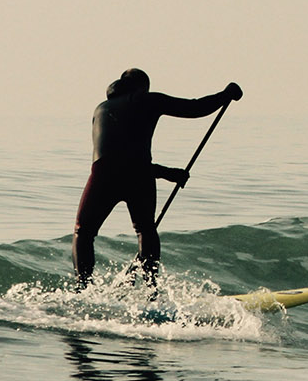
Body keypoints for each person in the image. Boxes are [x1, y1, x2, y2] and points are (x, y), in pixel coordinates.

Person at [72, 69, 242, 287]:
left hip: (102, 175)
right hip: (137, 174)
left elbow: (117, 160)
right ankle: (151, 290)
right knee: (145, 230)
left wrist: (169, 173)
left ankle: (82, 287)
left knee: (83, 232)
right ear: (142, 87)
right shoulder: (147, 99)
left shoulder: (100, 109)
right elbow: (195, 108)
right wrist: (226, 94)